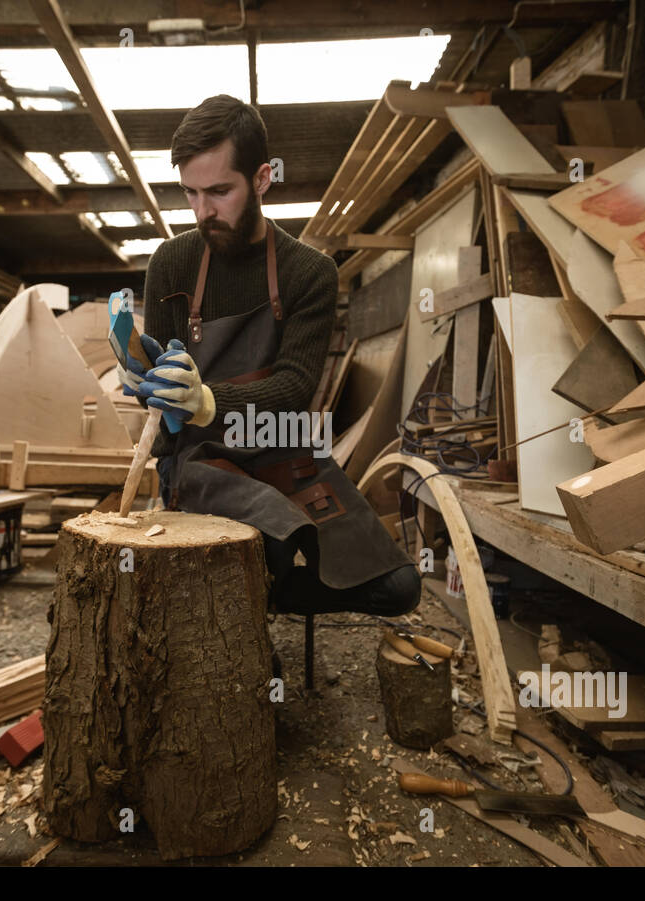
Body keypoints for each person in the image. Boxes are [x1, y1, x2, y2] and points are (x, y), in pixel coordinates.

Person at [119, 94, 420, 618]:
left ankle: (261, 598)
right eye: (189, 192)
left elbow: (294, 388)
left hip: (278, 444)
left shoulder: (310, 272)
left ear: (261, 180)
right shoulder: (172, 263)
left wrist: (209, 399)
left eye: (219, 191)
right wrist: (153, 389)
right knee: (273, 539)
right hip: (198, 455)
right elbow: (168, 427)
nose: (202, 210)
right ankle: (246, 621)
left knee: (398, 588)